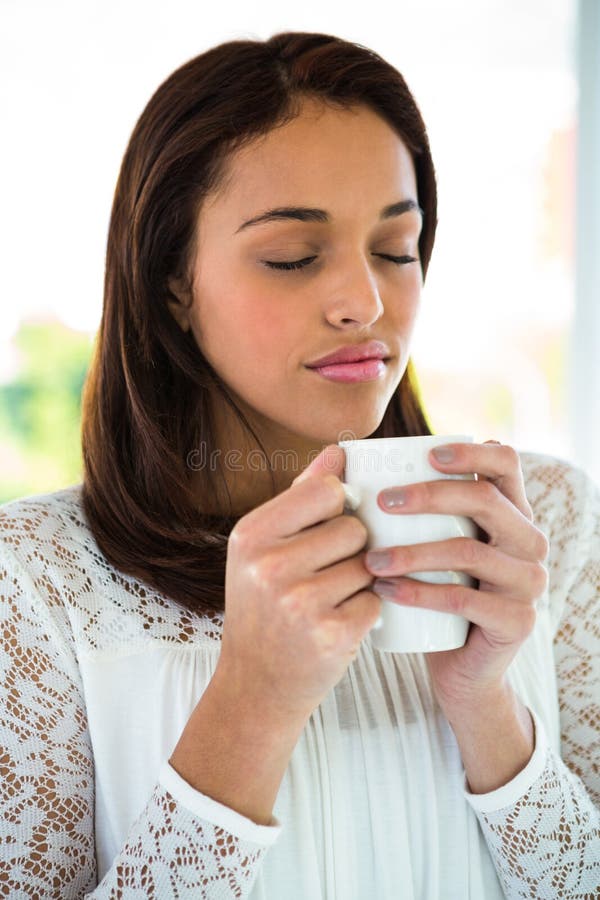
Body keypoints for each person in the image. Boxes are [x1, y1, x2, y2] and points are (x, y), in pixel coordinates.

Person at [0, 30, 598, 900]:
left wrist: (489, 706)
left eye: (397, 250)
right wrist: (253, 700)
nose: (366, 302)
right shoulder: (35, 583)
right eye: (293, 257)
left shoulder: (553, 521)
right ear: (173, 280)